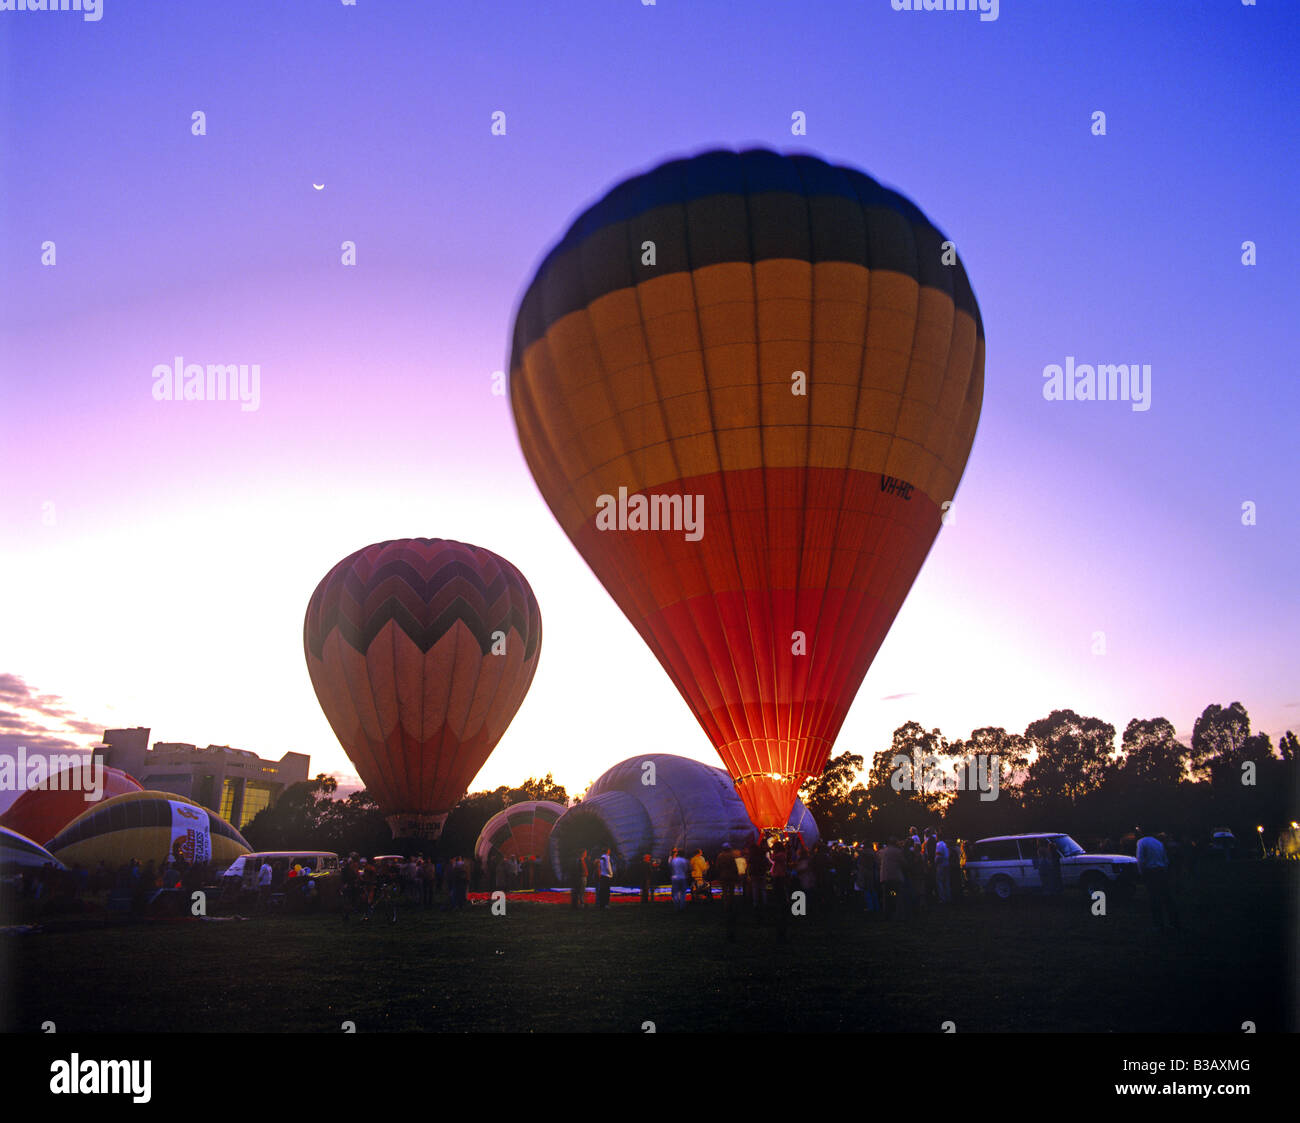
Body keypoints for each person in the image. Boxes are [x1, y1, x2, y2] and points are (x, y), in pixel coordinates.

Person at [1136, 828, 1180, 931]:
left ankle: (1158, 924)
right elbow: (1166, 860)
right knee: (1167, 898)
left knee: (1154, 899)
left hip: (1151, 872)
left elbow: (1140, 859)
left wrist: (1141, 872)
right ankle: (1174, 922)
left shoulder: (1141, 842)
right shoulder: (1158, 843)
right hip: (1161, 871)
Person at [934, 831, 951, 904]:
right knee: (946, 882)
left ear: (938, 837)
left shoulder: (939, 845)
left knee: (940, 881)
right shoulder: (945, 844)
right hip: (946, 864)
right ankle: (948, 897)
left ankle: (942, 898)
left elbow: (938, 856)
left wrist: (935, 863)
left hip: (941, 865)